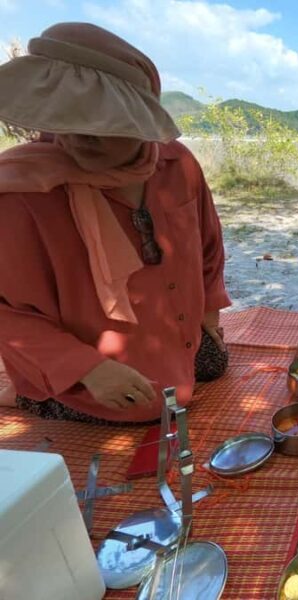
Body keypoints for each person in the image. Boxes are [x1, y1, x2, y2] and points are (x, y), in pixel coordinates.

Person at [0, 23, 230, 423]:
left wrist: (209, 313)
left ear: (139, 116)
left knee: (212, 366)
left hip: (177, 342)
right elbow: (10, 314)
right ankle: (28, 394)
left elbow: (209, 246)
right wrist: (88, 369)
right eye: (66, 117)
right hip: (93, 367)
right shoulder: (24, 191)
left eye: (99, 120)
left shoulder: (177, 164)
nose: (79, 135)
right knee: (142, 411)